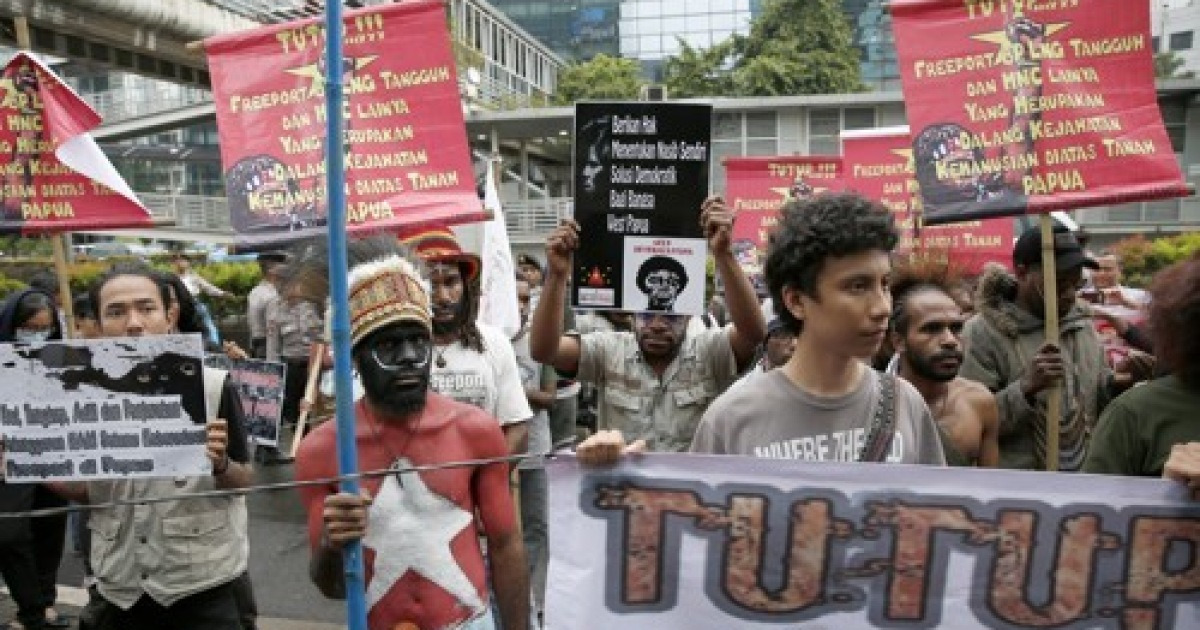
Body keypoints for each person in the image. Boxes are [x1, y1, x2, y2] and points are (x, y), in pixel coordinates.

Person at [293, 237, 529, 630]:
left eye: (418, 340)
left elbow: (505, 545)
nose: (407, 358)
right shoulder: (323, 451)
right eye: (387, 344)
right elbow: (331, 587)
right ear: (356, 357)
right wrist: (334, 545)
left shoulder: (474, 432)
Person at [50, 262, 253, 630]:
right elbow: (87, 492)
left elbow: (245, 480)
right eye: (116, 311)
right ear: (96, 323)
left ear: (169, 314)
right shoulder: (78, 396)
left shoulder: (213, 386)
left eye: (146, 308)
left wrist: (220, 464)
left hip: (202, 589)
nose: (133, 323)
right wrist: (34, 463)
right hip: (119, 591)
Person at [687, 194, 947, 464]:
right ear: (797, 301)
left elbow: (937, 505)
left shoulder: (906, 405)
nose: (882, 307)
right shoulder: (732, 419)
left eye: (884, 284)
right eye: (857, 287)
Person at [531, 195, 766, 453]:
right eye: (646, 314)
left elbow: (754, 333)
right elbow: (545, 351)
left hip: (690, 492)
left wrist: (724, 254)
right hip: (623, 491)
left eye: (671, 316)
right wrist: (557, 274)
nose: (656, 324)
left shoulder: (709, 352)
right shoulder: (609, 351)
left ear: (689, 315)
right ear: (631, 313)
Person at [959, 224, 1153, 471]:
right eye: (1059, 283)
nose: (1070, 294)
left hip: (1081, 482)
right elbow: (970, 422)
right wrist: (1024, 389)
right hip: (1017, 489)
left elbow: (1092, 403)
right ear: (1022, 272)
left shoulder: (1083, 325)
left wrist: (1116, 384)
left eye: (1077, 283)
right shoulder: (982, 332)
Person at [400, 227, 531, 455]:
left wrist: (487, 480)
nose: (442, 297)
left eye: (451, 282)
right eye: (430, 285)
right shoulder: (395, 351)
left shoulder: (494, 342)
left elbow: (517, 426)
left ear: (465, 285)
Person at [1083, 255, 1200, 479]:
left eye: (1109, 269)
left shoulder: (1133, 411)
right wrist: (1164, 496)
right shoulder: (1134, 413)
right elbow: (1093, 507)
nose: (1102, 274)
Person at [0, 288, 66, 630]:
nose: (38, 335)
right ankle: (31, 608)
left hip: (53, 455)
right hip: (8, 462)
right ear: (12, 325)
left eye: (46, 328)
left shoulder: (61, 359)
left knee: (50, 527)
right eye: (30, 326)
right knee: (10, 533)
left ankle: (43, 604)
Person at [888, 269, 1000, 467]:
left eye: (956, 328)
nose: (950, 340)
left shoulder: (979, 402)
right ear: (899, 341)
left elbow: (990, 491)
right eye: (931, 329)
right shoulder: (873, 404)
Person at [512, 273, 555, 618]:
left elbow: (549, 397)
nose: (521, 307)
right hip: (498, 454)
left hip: (536, 450)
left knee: (536, 528)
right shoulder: (486, 342)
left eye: (527, 300)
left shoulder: (539, 344)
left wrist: (512, 393)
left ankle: (535, 603)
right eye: (515, 299)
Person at [171, 254, 228, 347]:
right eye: (177, 260)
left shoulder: (194, 277)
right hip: (179, 306)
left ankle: (214, 345)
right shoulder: (172, 278)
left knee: (208, 325)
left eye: (183, 260)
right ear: (173, 263)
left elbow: (208, 287)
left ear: (188, 263)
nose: (180, 263)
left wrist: (222, 293)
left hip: (195, 304)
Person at [247, 252, 287, 359]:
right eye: (283, 265)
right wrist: (273, 362)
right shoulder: (272, 295)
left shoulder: (255, 291)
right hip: (268, 349)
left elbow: (251, 325)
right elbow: (272, 333)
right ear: (273, 270)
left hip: (256, 346)